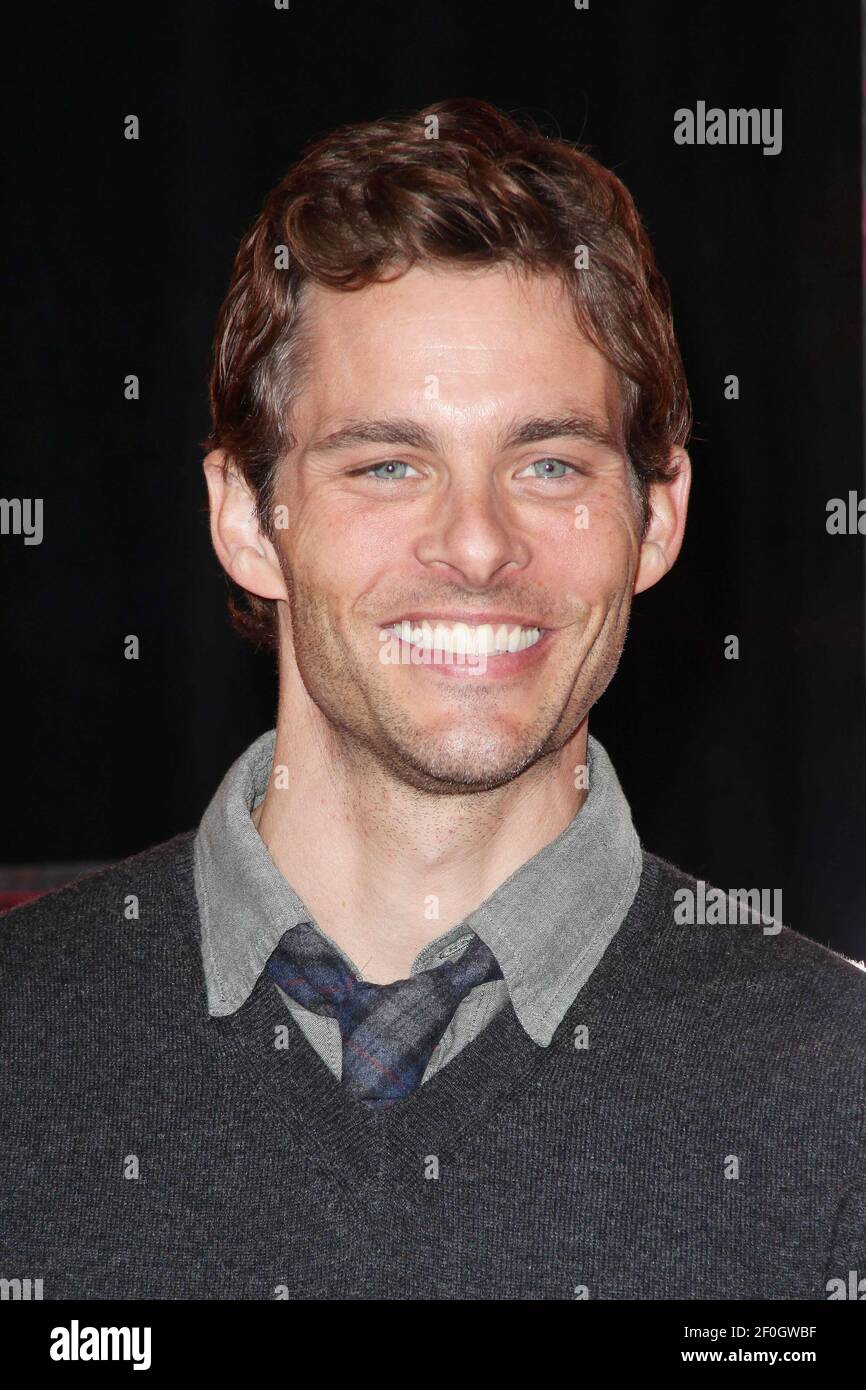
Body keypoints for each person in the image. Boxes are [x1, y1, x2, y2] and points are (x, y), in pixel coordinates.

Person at [1, 99, 863, 1301]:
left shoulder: (837, 1097)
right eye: (388, 465)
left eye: (548, 462)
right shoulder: (19, 1049)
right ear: (247, 519)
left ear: (654, 517)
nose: (474, 542)